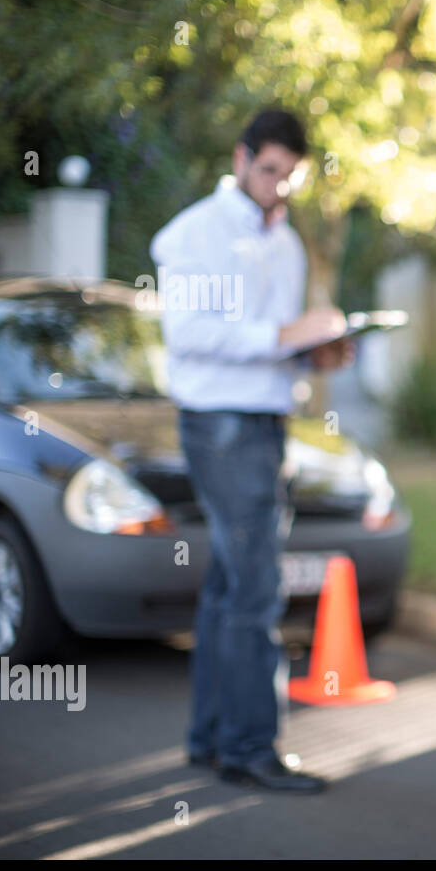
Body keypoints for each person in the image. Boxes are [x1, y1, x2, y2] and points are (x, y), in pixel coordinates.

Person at [150, 108, 353, 793]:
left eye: (291, 176)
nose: (279, 187)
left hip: (266, 422)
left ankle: (210, 739)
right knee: (257, 586)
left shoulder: (287, 242)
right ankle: (249, 747)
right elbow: (188, 334)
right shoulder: (192, 235)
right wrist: (284, 331)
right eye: (270, 171)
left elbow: (275, 347)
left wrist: (315, 352)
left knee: (228, 584)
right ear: (241, 159)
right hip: (219, 425)